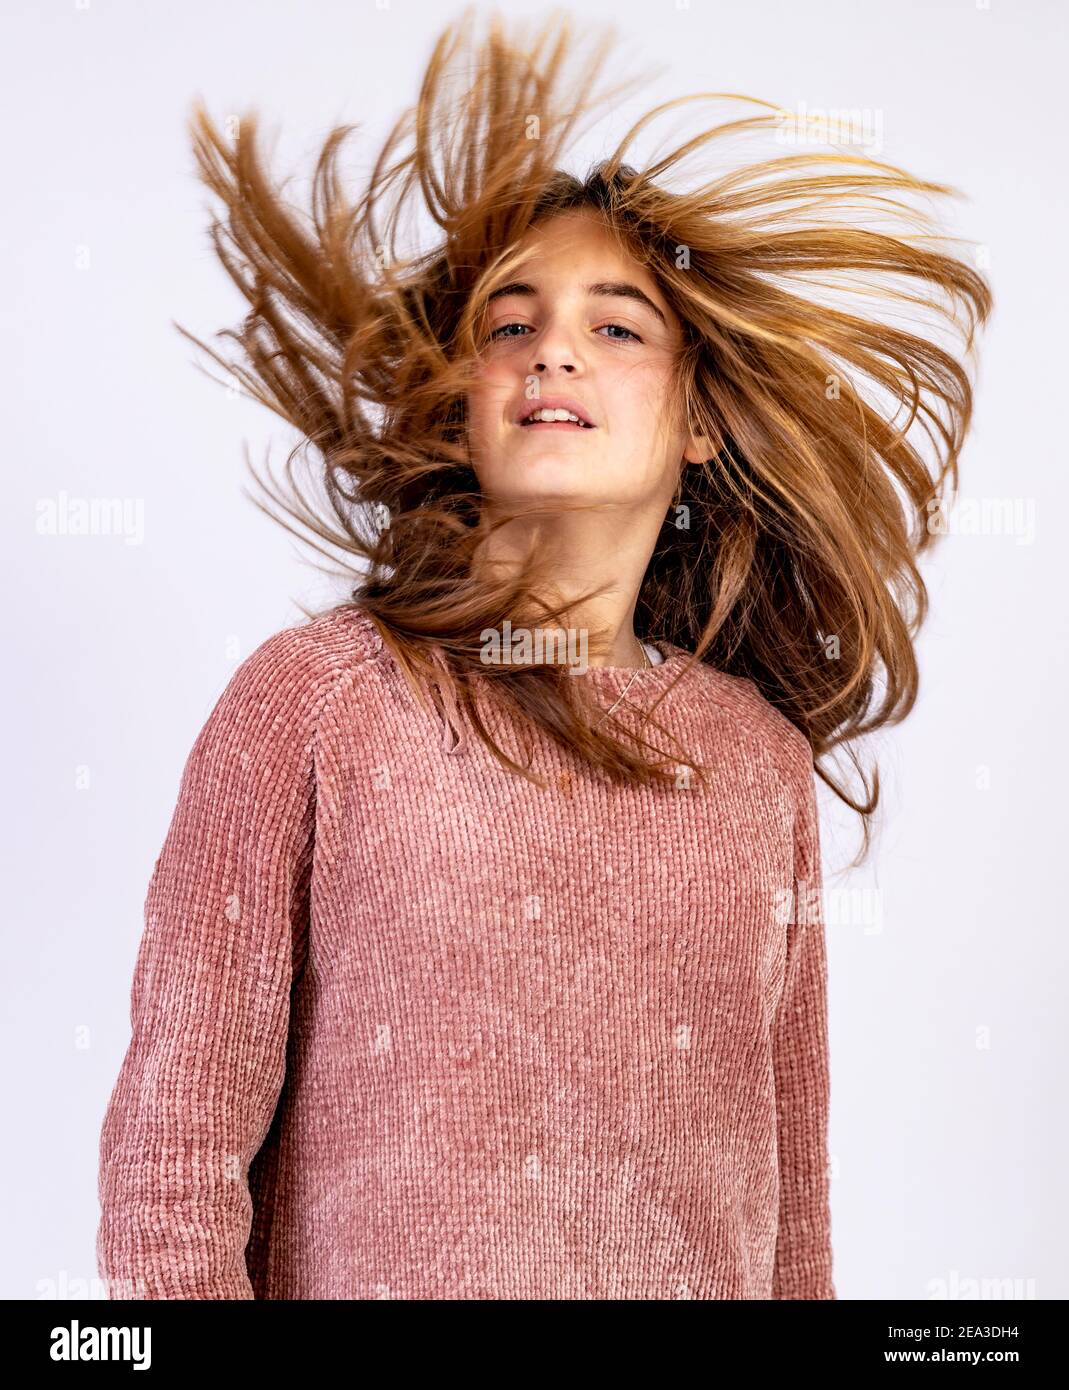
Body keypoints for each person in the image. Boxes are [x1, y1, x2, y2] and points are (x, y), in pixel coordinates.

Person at [95, 8, 991, 1300]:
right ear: (464, 404)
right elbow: (172, 1168)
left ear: (696, 421)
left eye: (617, 326)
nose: (551, 347)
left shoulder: (758, 766)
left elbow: (792, 1229)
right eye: (507, 325)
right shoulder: (313, 704)